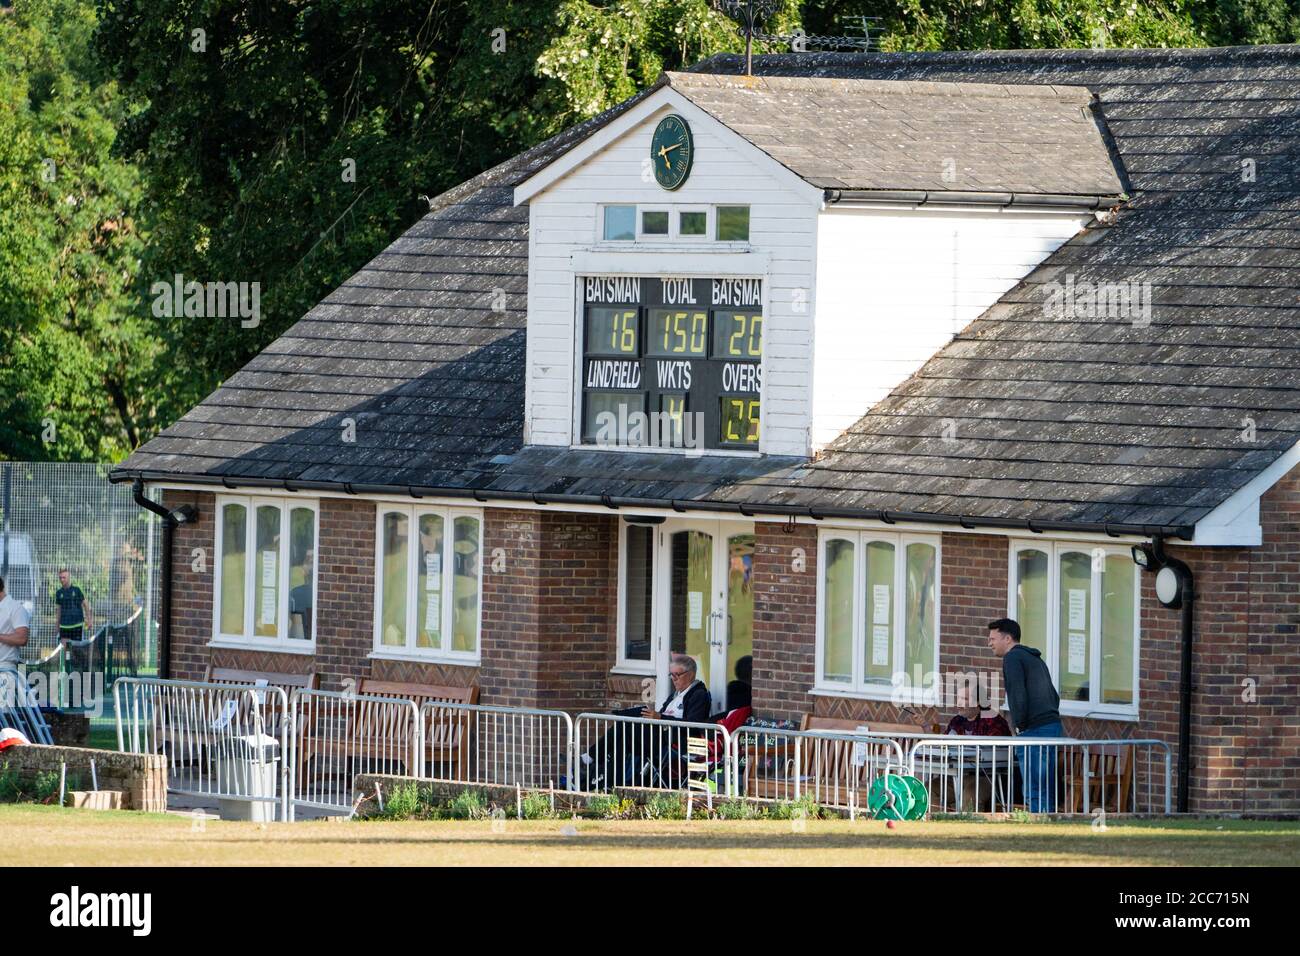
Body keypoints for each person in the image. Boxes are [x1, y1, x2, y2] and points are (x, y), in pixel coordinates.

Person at [988, 618, 1063, 813]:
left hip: (1034, 730)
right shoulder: (1035, 658)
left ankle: (1038, 824)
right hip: (1051, 725)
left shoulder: (1012, 659)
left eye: (993, 638)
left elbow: (1017, 695)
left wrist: (1019, 727)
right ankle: (1049, 822)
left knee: (1034, 786)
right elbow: (1054, 696)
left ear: (1008, 638)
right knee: (1047, 784)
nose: (990, 643)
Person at [53, 568, 93, 671]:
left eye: (64, 577)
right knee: (64, 651)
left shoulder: (77, 590)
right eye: (60, 578)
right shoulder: (59, 593)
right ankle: (65, 673)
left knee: (78, 650)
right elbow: (58, 611)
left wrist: (89, 620)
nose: (62, 580)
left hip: (77, 626)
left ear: (69, 577)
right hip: (64, 627)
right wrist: (57, 626)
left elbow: (86, 605)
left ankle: (82, 670)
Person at [945, 682, 1011, 736]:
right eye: (958, 698)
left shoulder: (992, 721)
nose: (959, 703)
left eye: (964, 699)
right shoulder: (956, 721)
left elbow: (995, 750)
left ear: (978, 702)